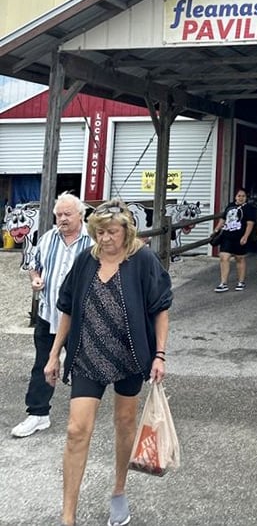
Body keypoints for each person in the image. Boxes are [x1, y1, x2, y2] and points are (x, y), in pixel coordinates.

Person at [44, 199, 172, 526]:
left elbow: (161, 308)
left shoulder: (142, 260)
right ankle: (68, 516)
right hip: (88, 356)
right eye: (99, 232)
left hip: (129, 356)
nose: (105, 239)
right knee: (76, 430)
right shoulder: (87, 261)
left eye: (112, 232)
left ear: (126, 231)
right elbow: (67, 308)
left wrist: (159, 354)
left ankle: (118, 490)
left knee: (125, 422)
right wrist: (53, 354)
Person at [11, 192, 93, 439]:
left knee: (83, 367)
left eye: (68, 214)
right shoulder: (47, 238)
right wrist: (35, 279)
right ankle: (38, 414)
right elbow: (34, 264)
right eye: (58, 215)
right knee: (43, 364)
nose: (62, 219)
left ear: (81, 215)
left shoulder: (94, 243)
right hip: (49, 314)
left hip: (82, 319)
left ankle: (82, 415)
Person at [212, 187, 256, 292]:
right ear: (235, 197)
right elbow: (223, 218)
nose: (241, 198)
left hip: (239, 236)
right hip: (227, 235)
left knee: (239, 258)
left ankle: (241, 281)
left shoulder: (248, 208)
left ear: (246, 197)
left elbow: (250, 223)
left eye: (243, 196)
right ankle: (223, 283)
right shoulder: (230, 206)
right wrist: (217, 229)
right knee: (224, 257)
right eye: (239, 196)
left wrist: (245, 236)